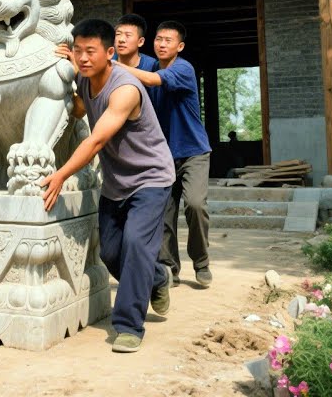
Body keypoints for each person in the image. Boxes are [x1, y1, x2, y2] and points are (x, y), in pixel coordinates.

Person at [40, 18, 176, 353]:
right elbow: (79, 108)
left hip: (150, 179)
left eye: (91, 51)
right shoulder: (87, 82)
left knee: (135, 246)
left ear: (110, 53)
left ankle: (129, 326)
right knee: (111, 252)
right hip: (116, 184)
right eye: (78, 51)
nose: (83, 58)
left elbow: (97, 139)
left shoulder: (125, 88)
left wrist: (61, 174)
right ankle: (157, 278)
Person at [113, 20, 213, 288]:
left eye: (168, 40)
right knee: (164, 214)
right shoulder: (148, 64)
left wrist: (113, 65)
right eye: (158, 39)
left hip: (194, 152)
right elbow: (117, 59)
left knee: (194, 204)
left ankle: (201, 263)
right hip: (162, 157)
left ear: (179, 46)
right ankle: (170, 268)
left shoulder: (182, 68)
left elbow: (150, 79)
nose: (162, 44)